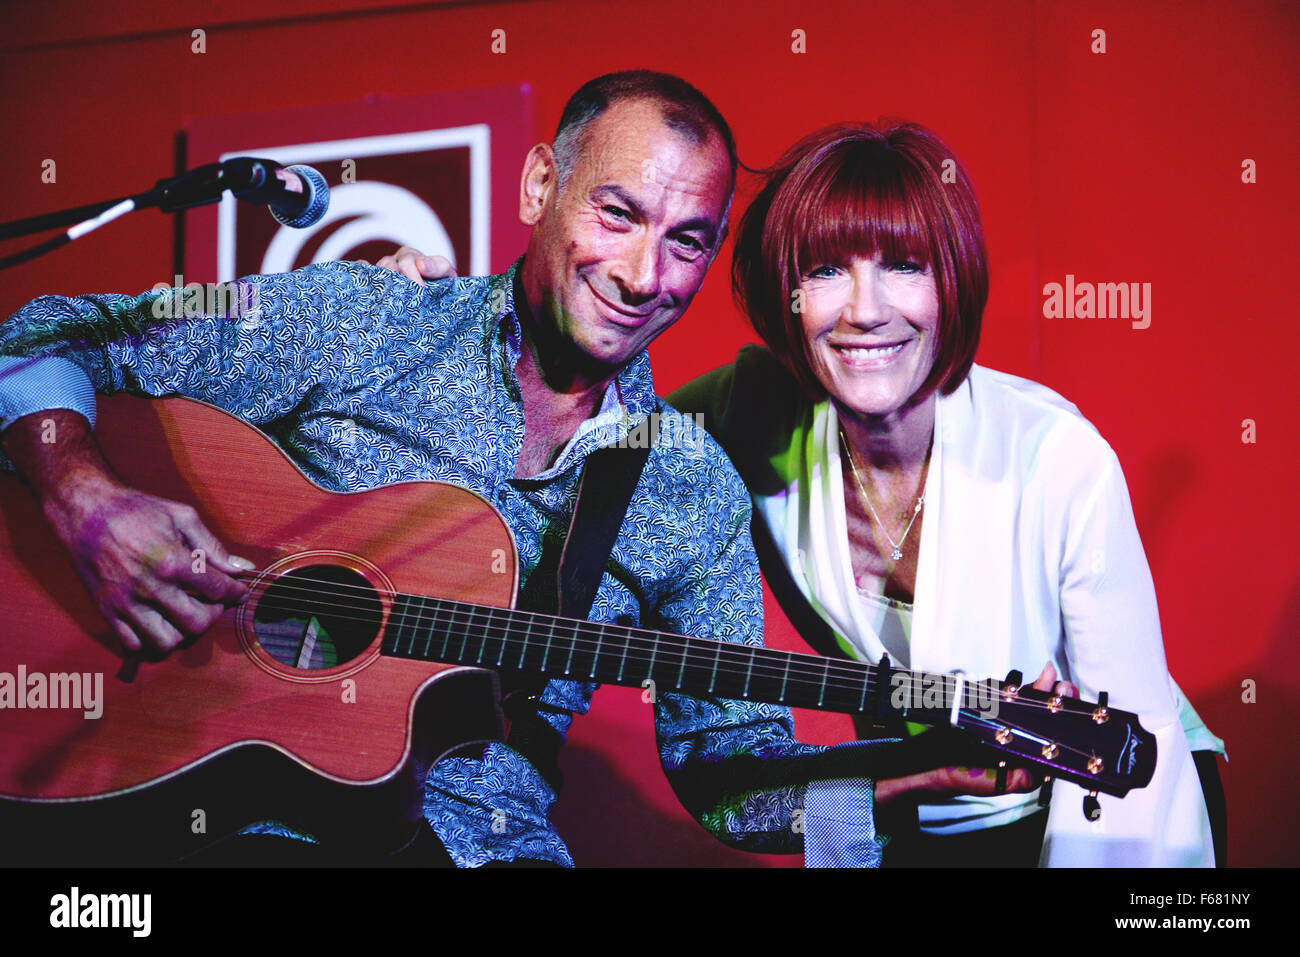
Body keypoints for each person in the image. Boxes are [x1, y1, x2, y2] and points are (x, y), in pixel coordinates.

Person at [0, 71, 901, 867]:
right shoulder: (373, 319)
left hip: (488, 842)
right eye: (618, 214)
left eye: (688, 241)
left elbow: (727, 773)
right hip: (228, 814)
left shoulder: (691, 487)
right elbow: (45, 336)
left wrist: (896, 790)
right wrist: (88, 502)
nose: (642, 273)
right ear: (541, 185)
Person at [382, 118, 1226, 868]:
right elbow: (587, 428)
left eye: (904, 266)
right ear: (786, 294)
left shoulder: (1059, 460)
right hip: (924, 805)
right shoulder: (744, 418)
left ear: (953, 281)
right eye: (825, 270)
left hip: (1115, 788)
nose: (865, 310)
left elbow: (1140, 744)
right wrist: (424, 328)